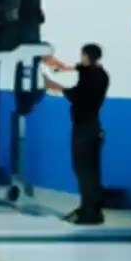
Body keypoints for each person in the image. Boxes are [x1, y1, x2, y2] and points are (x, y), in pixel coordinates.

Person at [43, 44, 110, 225]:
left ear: (86, 56)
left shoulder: (90, 77)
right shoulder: (102, 74)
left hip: (84, 129)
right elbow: (78, 69)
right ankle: (91, 208)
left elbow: (77, 95)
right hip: (94, 127)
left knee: (83, 169)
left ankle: (89, 212)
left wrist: (54, 85)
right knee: (92, 171)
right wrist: (59, 66)